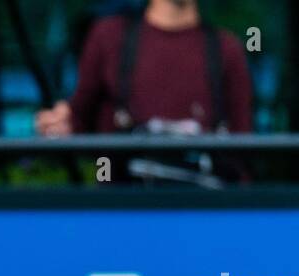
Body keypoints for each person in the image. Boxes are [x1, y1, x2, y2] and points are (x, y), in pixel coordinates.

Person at [35, 0, 252, 186]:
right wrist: (59, 124)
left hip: (202, 216)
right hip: (122, 215)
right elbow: (79, 120)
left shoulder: (228, 49)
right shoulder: (108, 37)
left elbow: (241, 154)